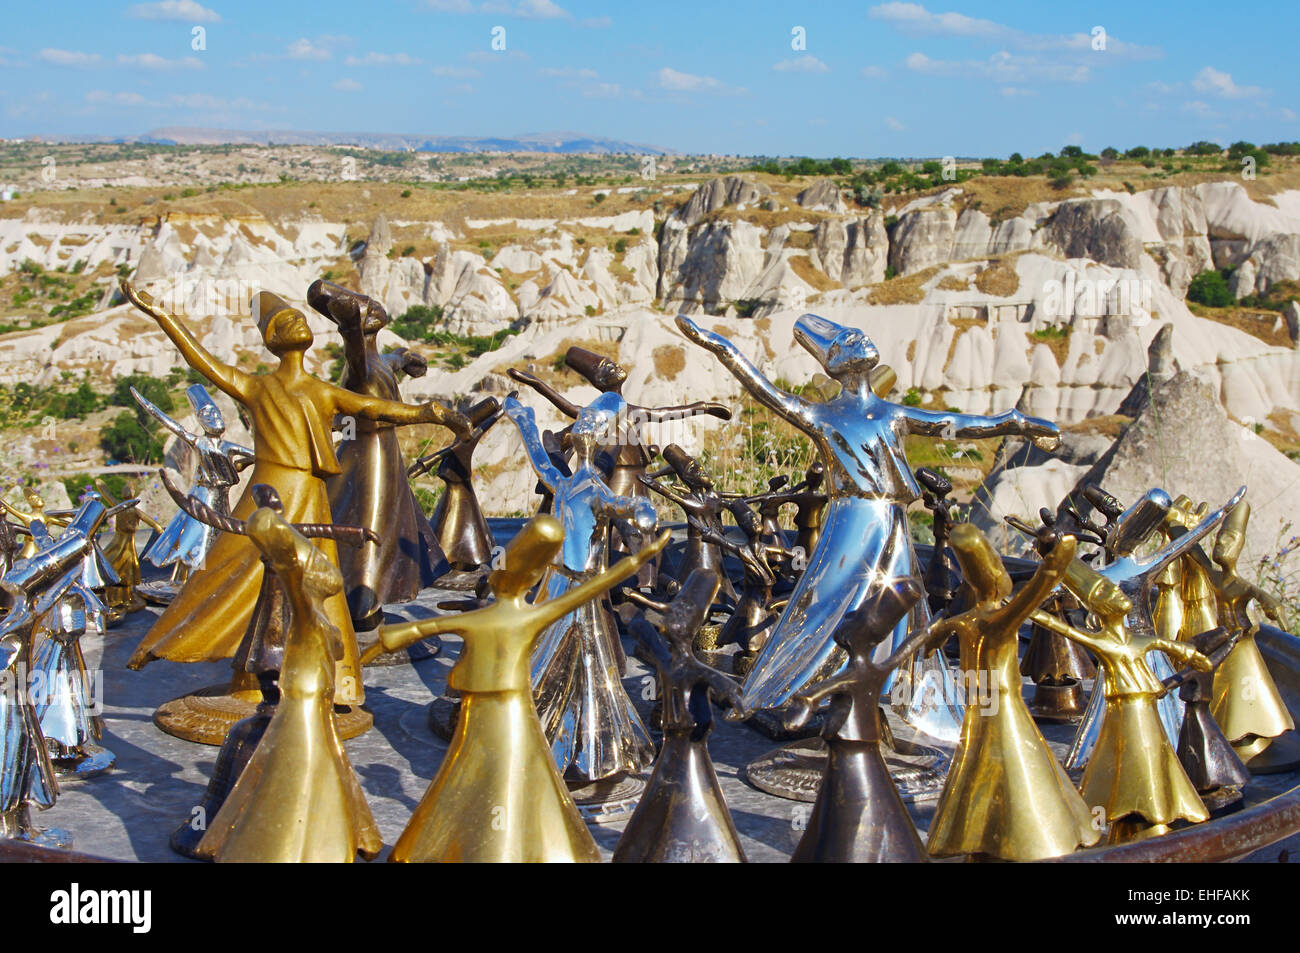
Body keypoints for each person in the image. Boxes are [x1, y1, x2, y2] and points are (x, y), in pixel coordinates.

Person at [677, 313, 1060, 740]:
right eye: (846, 341)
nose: (858, 338)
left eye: (857, 335)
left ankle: (885, 682)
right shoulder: (821, 415)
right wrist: (719, 346)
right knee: (829, 594)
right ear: (835, 362)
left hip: (889, 518)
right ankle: (790, 684)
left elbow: (957, 426)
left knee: (896, 596)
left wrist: (1016, 424)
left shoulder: (890, 413)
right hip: (852, 517)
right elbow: (761, 389)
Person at [119, 278, 470, 708]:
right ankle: (203, 651)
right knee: (233, 572)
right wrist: (164, 316)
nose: (296, 322)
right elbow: (202, 362)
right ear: (272, 340)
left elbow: (373, 408)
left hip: (309, 493)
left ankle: (336, 679)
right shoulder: (257, 387)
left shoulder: (320, 390)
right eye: (285, 320)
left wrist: (426, 412)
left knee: (320, 582)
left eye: (298, 317)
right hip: (269, 494)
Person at [365, 515, 670, 862]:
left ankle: (504, 842)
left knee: (493, 771)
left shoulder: (521, 616)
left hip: (506, 709)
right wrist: (640, 559)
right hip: (486, 710)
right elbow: (593, 587)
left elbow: (420, 629)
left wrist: (640, 559)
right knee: (491, 771)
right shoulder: (524, 615)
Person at [196, 507, 381, 863]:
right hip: (304, 711)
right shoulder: (305, 611)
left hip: (312, 712)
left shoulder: (318, 619)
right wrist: (279, 543)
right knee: (303, 772)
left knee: (311, 775)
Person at [309, 280, 449, 630]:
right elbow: (357, 351)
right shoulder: (361, 367)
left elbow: (397, 358)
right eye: (367, 308)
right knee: (370, 522)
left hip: (385, 453)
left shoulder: (379, 359)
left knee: (390, 519)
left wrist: (411, 358)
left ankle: (373, 592)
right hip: (367, 455)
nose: (374, 308)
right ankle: (361, 598)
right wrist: (348, 323)